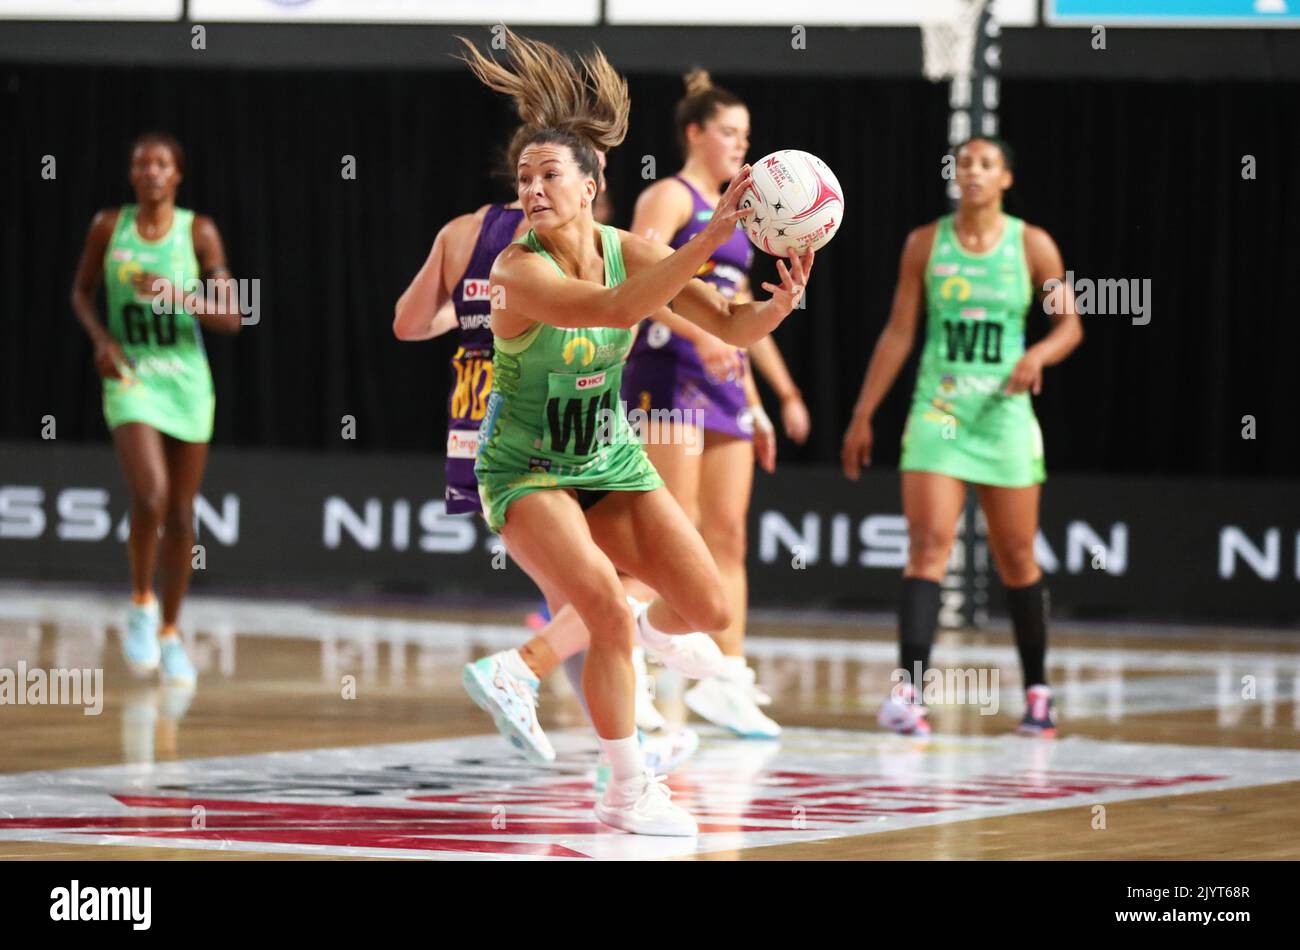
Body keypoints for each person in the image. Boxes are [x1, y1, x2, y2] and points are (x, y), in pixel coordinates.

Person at [459, 29, 813, 835]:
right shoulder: (518, 270)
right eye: (524, 179)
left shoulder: (625, 249)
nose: (534, 190)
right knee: (607, 612)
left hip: (608, 459)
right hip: (527, 469)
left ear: (592, 183)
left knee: (709, 607)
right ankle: (625, 789)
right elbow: (617, 311)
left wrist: (782, 301)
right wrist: (708, 237)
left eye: (550, 175)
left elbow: (730, 321)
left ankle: (645, 646)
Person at [841, 136, 1082, 738]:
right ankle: (908, 696)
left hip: (1003, 414)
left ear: (1005, 177)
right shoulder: (926, 243)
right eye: (963, 163)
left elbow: (1069, 324)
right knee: (928, 547)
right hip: (940, 409)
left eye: (985, 163)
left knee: (1017, 557)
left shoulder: (1032, 244)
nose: (971, 172)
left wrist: (1040, 355)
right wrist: (864, 411)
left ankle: (1038, 692)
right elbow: (899, 333)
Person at [622, 69, 811, 739]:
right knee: (669, 532)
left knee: (727, 534)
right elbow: (634, 280)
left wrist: (763, 402)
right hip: (666, 373)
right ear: (695, 133)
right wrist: (701, 334)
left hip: (723, 382)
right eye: (729, 132)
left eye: (748, 136)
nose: (741, 146)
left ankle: (725, 678)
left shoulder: (743, 213)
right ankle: (632, 672)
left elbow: (734, 320)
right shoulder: (668, 196)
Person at [70, 132, 242, 688]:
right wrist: (101, 339)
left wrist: (177, 294)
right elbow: (80, 293)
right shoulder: (108, 227)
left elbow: (235, 315)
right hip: (132, 376)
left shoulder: (198, 231)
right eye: (141, 163)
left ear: (178, 175)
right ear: (131, 174)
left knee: (182, 514)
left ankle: (170, 632)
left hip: (187, 383)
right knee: (151, 495)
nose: (151, 172)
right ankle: (141, 603)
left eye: (161, 163)